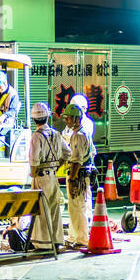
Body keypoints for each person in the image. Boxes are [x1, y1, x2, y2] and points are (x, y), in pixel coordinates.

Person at [28, 101, 70, 252]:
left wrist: (33, 175)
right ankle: (56, 241)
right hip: (53, 177)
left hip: (40, 177)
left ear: (34, 119)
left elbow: (34, 160)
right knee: (55, 210)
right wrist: (57, 166)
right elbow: (67, 153)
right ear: (47, 117)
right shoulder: (56, 134)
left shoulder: (36, 136)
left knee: (41, 212)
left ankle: (43, 243)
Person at [61, 95, 97, 248]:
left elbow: (76, 160)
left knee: (79, 207)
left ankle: (82, 239)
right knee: (75, 208)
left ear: (76, 118)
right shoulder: (79, 132)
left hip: (80, 174)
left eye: (68, 118)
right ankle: (74, 236)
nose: (66, 121)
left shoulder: (80, 134)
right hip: (82, 173)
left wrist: (72, 179)